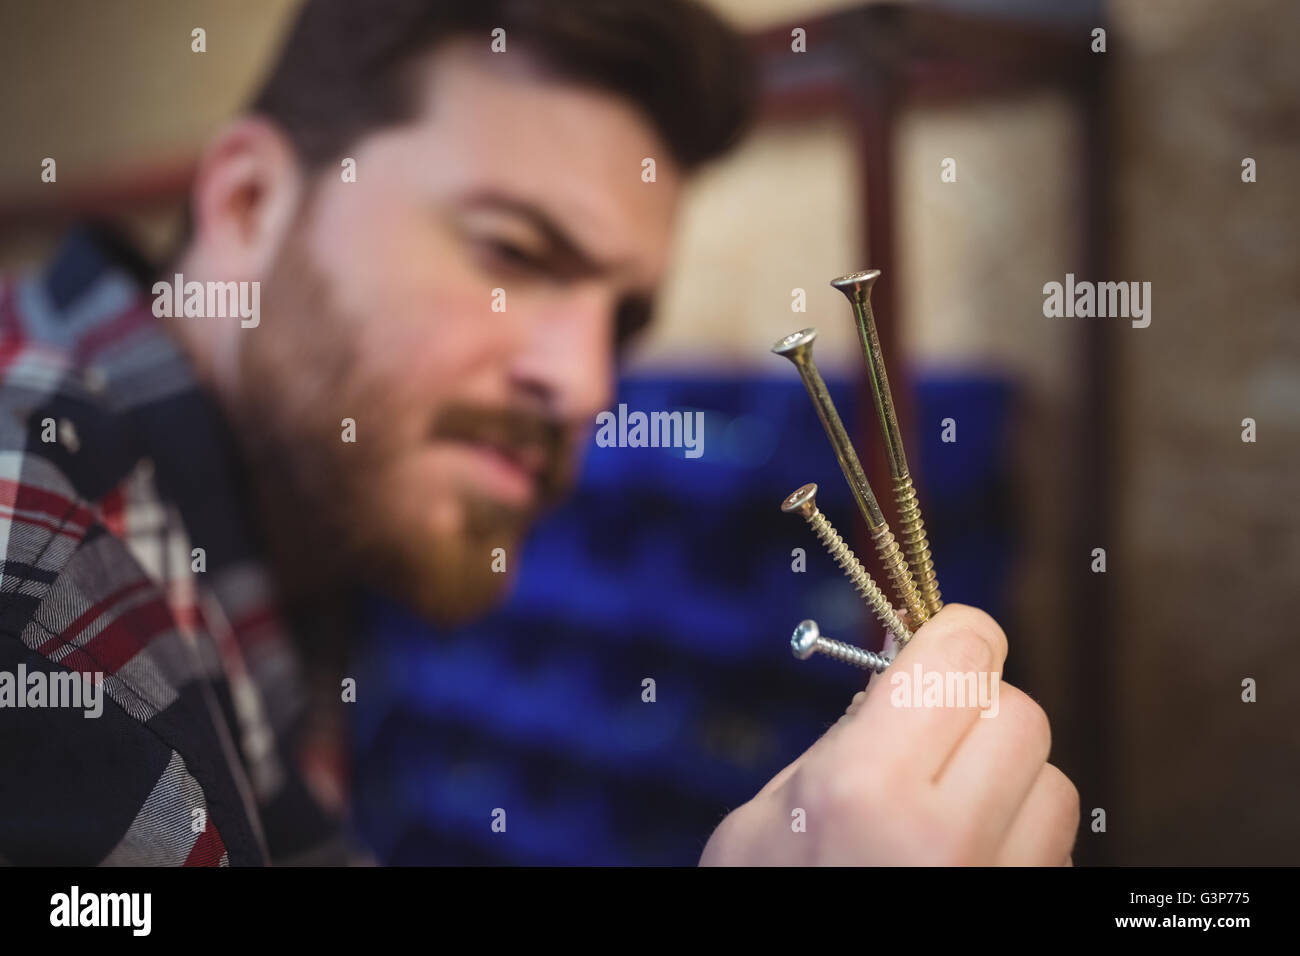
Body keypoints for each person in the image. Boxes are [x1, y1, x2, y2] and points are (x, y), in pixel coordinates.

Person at [0, 0, 1078, 866]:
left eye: (623, 320)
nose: (583, 381)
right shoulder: (36, 579)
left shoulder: (305, 516)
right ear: (245, 204)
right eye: (514, 253)